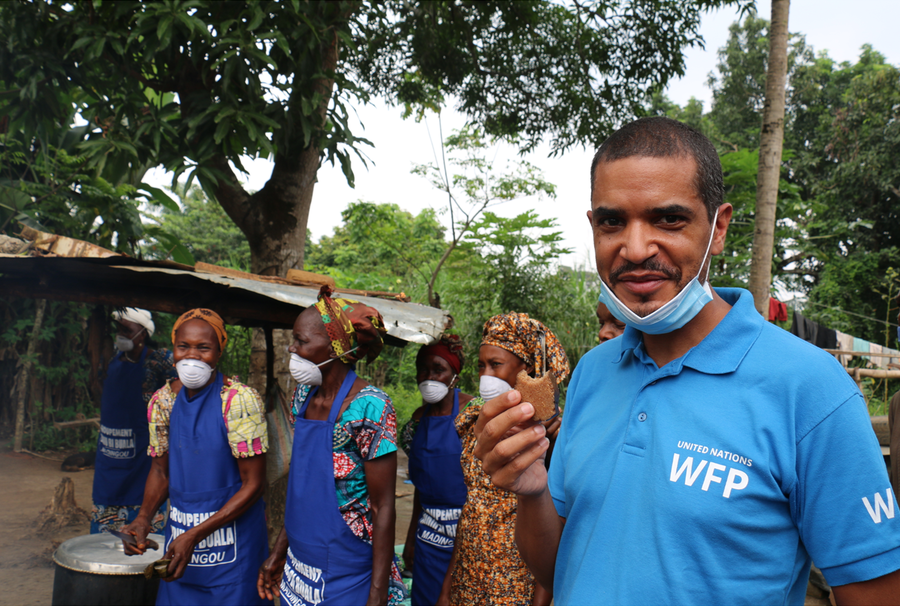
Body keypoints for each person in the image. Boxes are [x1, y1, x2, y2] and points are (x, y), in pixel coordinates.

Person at [474, 117, 900, 605]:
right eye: (613, 221)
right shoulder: (592, 372)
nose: (634, 249)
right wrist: (531, 490)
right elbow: (558, 567)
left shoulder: (810, 389)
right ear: (593, 226)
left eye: (668, 219)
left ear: (717, 228)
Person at [258, 286, 406, 606]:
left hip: (346, 572)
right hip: (299, 568)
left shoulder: (370, 407)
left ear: (336, 348)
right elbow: (303, 485)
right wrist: (279, 551)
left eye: (302, 341)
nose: (291, 349)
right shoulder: (303, 396)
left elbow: (383, 508)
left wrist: (377, 593)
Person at [123, 308, 269, 605]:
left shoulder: (239, 400)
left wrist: (195, 535)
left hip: (232, 551)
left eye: (203, 348)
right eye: (183, 347)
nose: (192, 356)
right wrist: (143, 517)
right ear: (173, 348)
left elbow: (253, 484)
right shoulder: (163, 400)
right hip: (181, 544)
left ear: (218, 351)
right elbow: (161, 471)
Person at [437, 312, 568, 606]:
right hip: (469, 578)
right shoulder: (476, 424)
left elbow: (558, 524)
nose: (486, 375)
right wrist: (447, 589)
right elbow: (473, 508)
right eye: (481, 365)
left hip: (516, 583)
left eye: (496, 365)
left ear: (527, 368)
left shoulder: (551, 433)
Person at [400, 335, 474, 606]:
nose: (429, 376)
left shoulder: (473, 414)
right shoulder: (417, 423)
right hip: (428, 539)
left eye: (438, 369)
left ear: (455, 373)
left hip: (468, 534)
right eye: (423, 368)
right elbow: (421, 486)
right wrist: (410, 540)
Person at [91, 307, 174, 534]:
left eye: (127, 330)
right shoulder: (109, 362)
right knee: (103, 548)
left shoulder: (158, 362)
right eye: (118, 329)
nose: (121, 335)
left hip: (143, 465)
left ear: (143, 334)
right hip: (110, 465)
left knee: (143, 547)